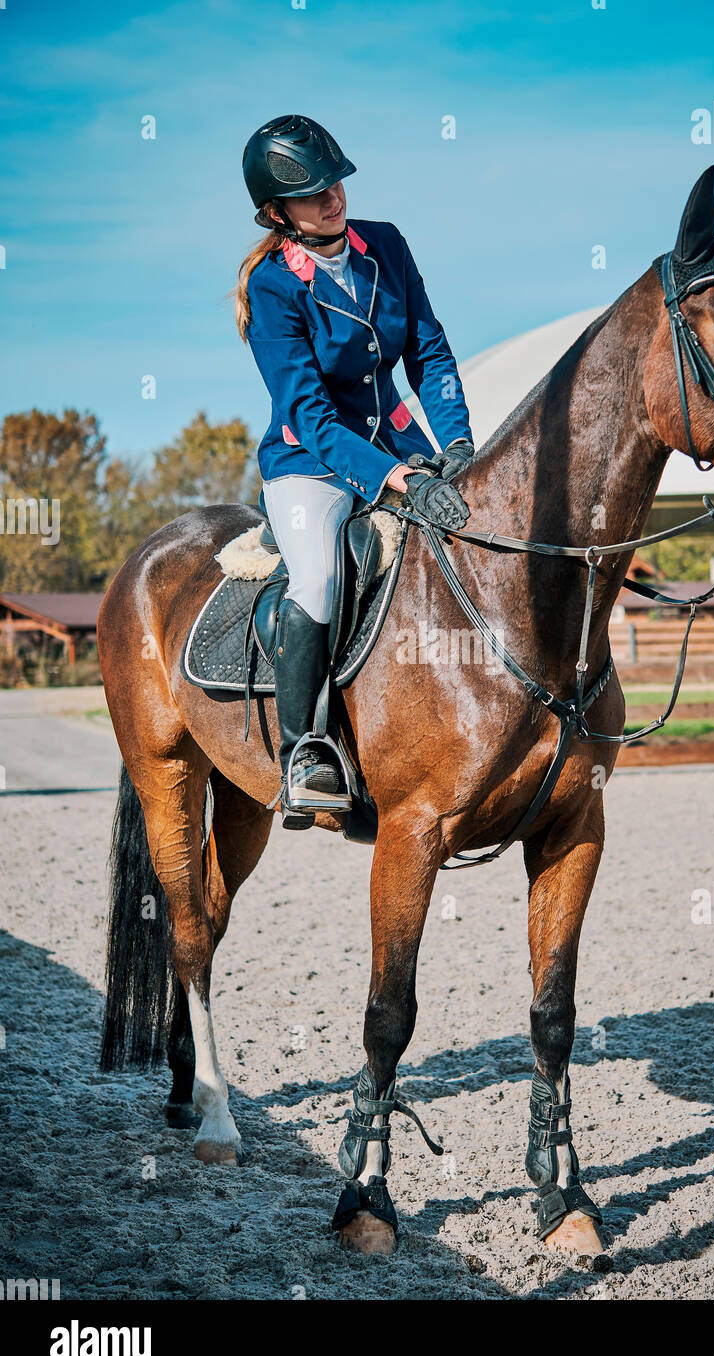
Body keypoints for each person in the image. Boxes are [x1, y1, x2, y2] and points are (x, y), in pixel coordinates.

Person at [235, 115, 473, 828]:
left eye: (333, 181)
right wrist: (398, 479)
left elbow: (428, 349)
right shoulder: (274, 288)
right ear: (279, 213)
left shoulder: (386, 243)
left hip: (399, 445)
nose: (330, 198)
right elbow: (307, 411)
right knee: (319, 577)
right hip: (309, 463)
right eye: (311, 194)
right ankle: (304, 750)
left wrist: (456, 446)